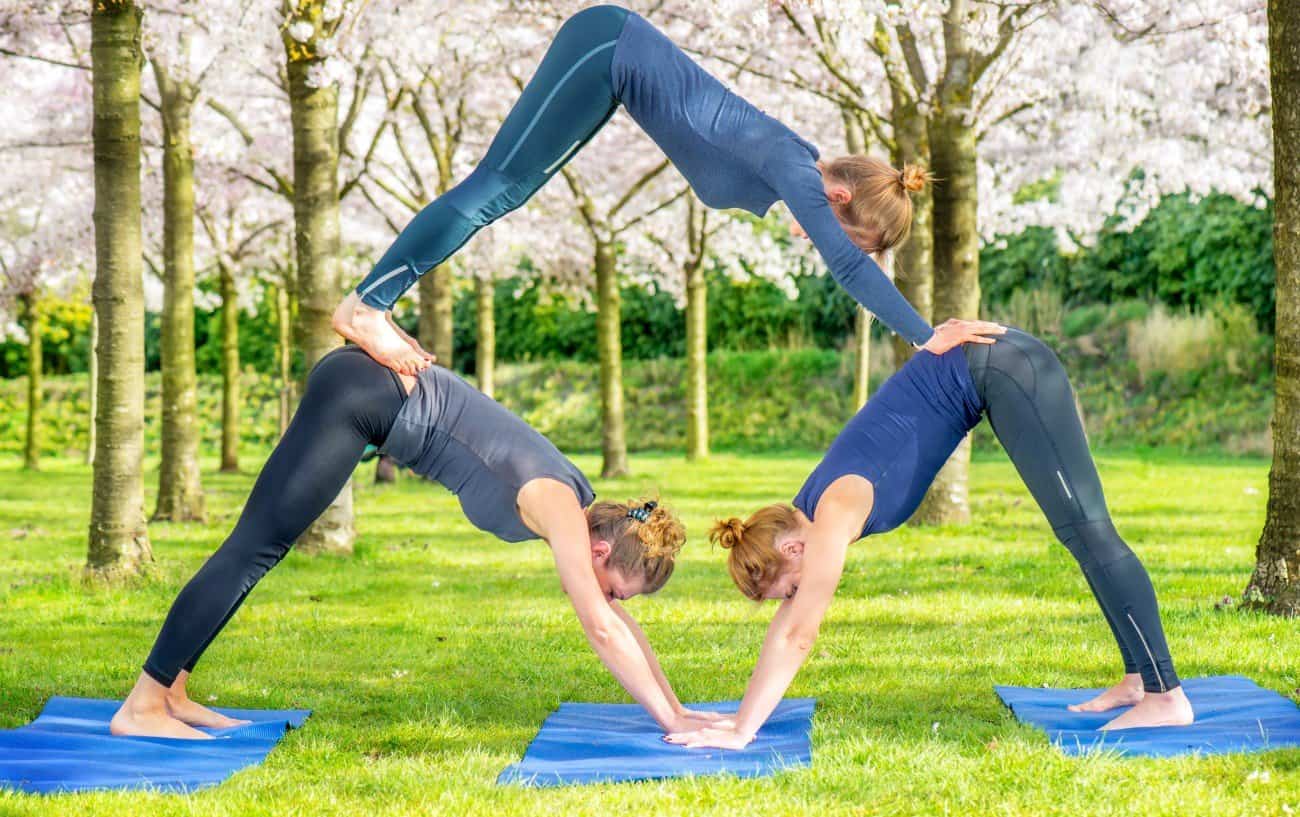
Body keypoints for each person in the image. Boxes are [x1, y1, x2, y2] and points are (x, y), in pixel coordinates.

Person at [331, 4, 994, 374]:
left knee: (503, 192)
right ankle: (368, 305)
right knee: (497, 187)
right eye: (850, 234)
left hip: (610, 67)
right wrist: (923, 333)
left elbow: (846, 252)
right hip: (606, 45)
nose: (826, 243)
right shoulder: (799, 172)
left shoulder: (792, 163)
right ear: (842, 202)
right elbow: (848, 266)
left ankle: (373, 307)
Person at [110, 345, 718, 738]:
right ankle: (142, 705)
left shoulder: (583, 508)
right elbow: (602, 627)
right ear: (600, 553)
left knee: (260, 550)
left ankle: (173, 692)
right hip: (363, 396)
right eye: (618, 587)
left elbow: (615, 620)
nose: (613, 599)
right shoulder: (560, 506)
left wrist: (677, 710)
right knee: (256, 546)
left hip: (371, 390)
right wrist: (669, 723)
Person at [666, 327, 1194, 750]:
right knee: (1080, 536)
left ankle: (1166, 695)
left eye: (787, 588)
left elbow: (798, 633)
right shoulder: (803, 516)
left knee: (1088, 529)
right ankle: (1138, 678)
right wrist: (742, 714)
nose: (793, 599)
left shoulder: (833, 509)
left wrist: (742, 733)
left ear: (792, 550)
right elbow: (788, 624)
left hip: (1006, 369)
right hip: (991, 368)